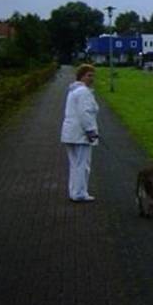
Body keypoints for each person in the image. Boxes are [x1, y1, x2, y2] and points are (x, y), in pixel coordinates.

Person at [60, 64, 100, 202]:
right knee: (82, 165)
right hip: (80, 134)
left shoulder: (73, 91)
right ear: (81, 76)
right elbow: (85, 113)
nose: (92, 78)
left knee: (75, 164)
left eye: (92, 75)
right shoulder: (83, 92)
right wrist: (90, 131)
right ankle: (79, 193)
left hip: (70, 133)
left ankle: (74, 191)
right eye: (89, 75)